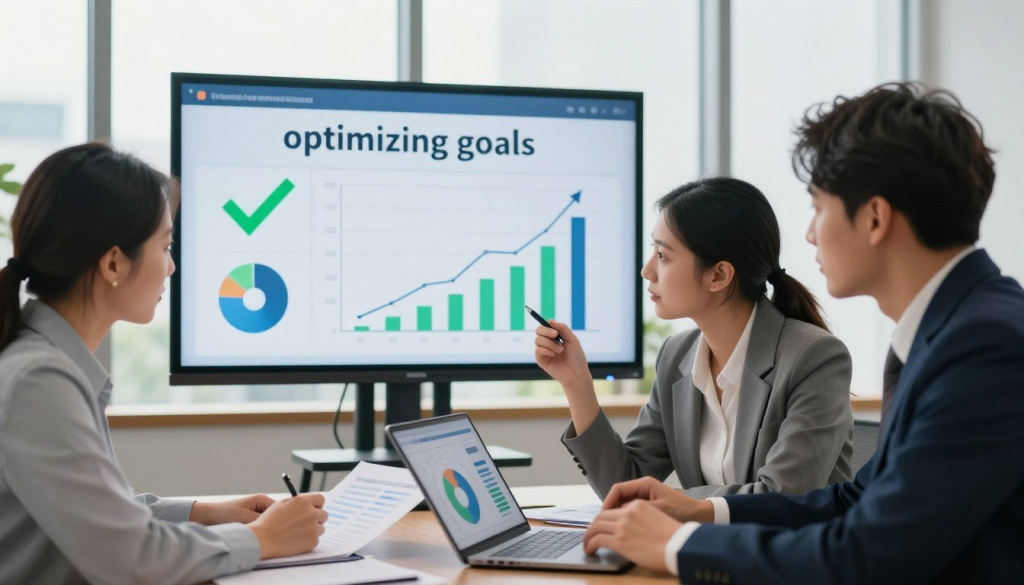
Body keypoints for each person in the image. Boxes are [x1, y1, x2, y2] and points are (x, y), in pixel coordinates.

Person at [581, 83, 1024, 584]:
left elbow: (868, 556)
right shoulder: (953, 329)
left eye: (818, 207)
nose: (810, 233)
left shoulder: (984, 346)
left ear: (875, 217)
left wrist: (679, 546)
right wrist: (701, 513)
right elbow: (858, 500)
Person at [0, 143, 327, 584]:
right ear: (114, 262)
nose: (171, 267)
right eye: (166, 246)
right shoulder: (39, 381)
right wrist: (264, 539)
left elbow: (102, 516)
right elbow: (131, 558)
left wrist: (203, 512)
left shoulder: (45, 363)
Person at [534, 177, 854, 499]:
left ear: (718, 275)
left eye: (663, 255)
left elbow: (784, 495)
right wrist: (577, 382)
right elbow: (624, 485)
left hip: (791, 548)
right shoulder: (677, 355)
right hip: (710, 546)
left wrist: (671, 502)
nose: (647, 270)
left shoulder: (814, 357)